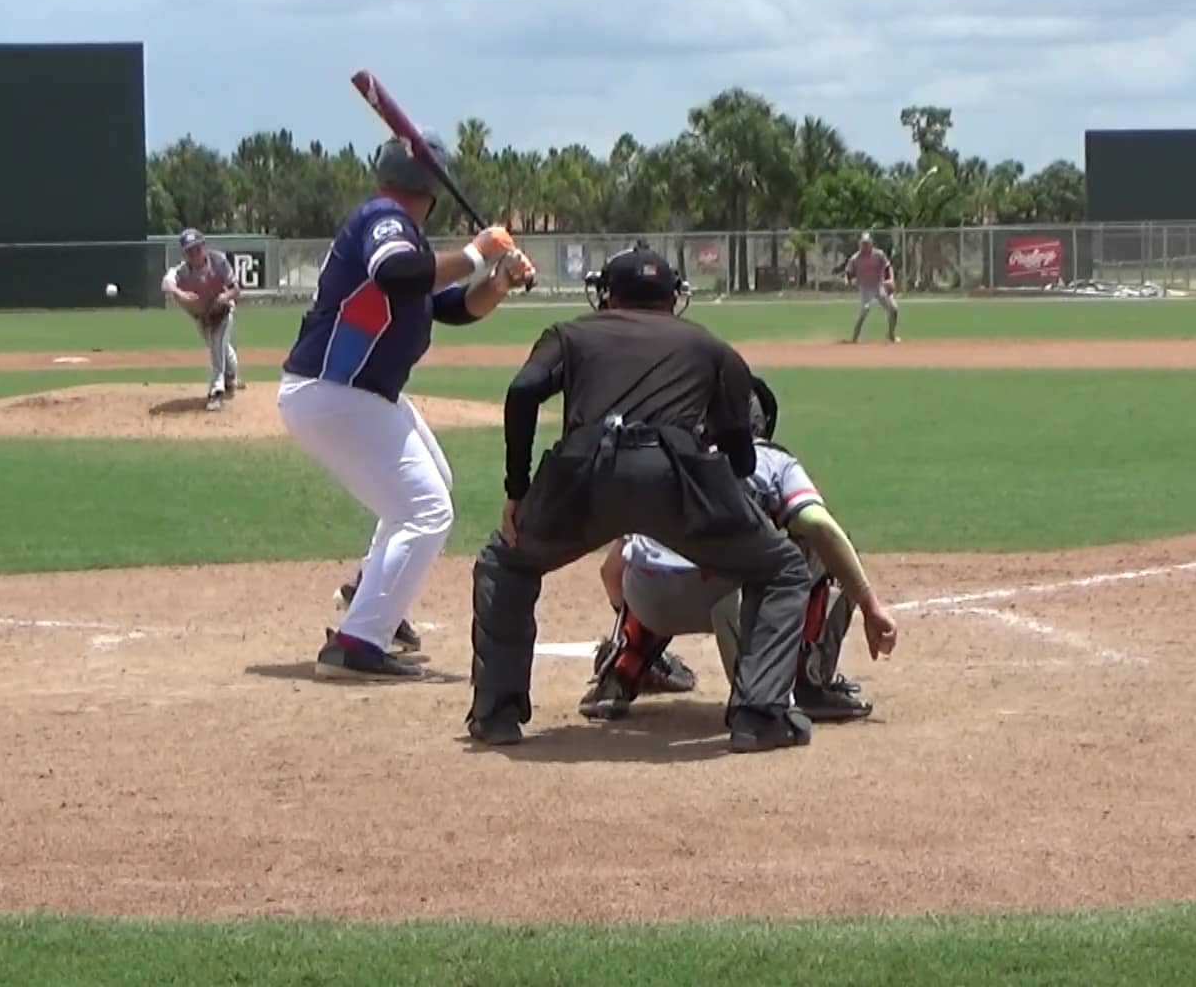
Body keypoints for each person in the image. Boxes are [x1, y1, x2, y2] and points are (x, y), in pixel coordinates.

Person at [466, 246, 817, 753]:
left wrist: (517, 490)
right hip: (680, 479)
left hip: (583, 474)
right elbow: (741, 453)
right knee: (781, 567)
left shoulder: (571, 333)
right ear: (674, 297)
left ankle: (496, 714)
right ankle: (760, 714)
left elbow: (522, 393)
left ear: (607, 293)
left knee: (506, 563)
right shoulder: (710, 346)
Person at [278, 130, 535, 681]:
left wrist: (498, 279)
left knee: (432, 483)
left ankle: (369, 592)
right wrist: (477, 251)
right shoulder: (384, 222)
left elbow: (452, 306)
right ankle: (357, 643)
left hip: (358, 394)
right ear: (433, 186)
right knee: (425, 509)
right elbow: (398, 274)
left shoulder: (403, 236)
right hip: (334, 391)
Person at [581, 376, 897, 722]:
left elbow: (611, 571)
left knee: (654, 555)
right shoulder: (772, 461)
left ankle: (624, 666)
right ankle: (808, 681)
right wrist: (869, 605)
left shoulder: (668, 457)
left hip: (647, 600)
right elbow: (821, 528)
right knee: (822, 545)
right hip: (726, 598)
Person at [162, 229, 242, 412]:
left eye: (197, 249)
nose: (194, 254)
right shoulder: (182, 271)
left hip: (222, 311)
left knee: (216, 346)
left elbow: (236, 289)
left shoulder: (218, 261)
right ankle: (231, 376)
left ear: (204, 247)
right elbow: (166, 284)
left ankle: (216, 392)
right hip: (202, 317)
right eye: (189, 251)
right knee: (221, 347)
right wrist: (180, 293)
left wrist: (224, 297)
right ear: (184, 254)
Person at [845, 233, 900, 344]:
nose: (865, 246)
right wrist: (848, 281)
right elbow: (848, 272)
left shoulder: (878, 254)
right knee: (865, 309)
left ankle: (891, 335)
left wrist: (891, 279)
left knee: (894, 309)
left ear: (871, 243)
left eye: (867, 243)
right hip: (866, 288)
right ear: (859, 244)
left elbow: (888, 267)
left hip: (879, 286)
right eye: (863, 244)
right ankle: (854, 338)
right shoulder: (855, 258)